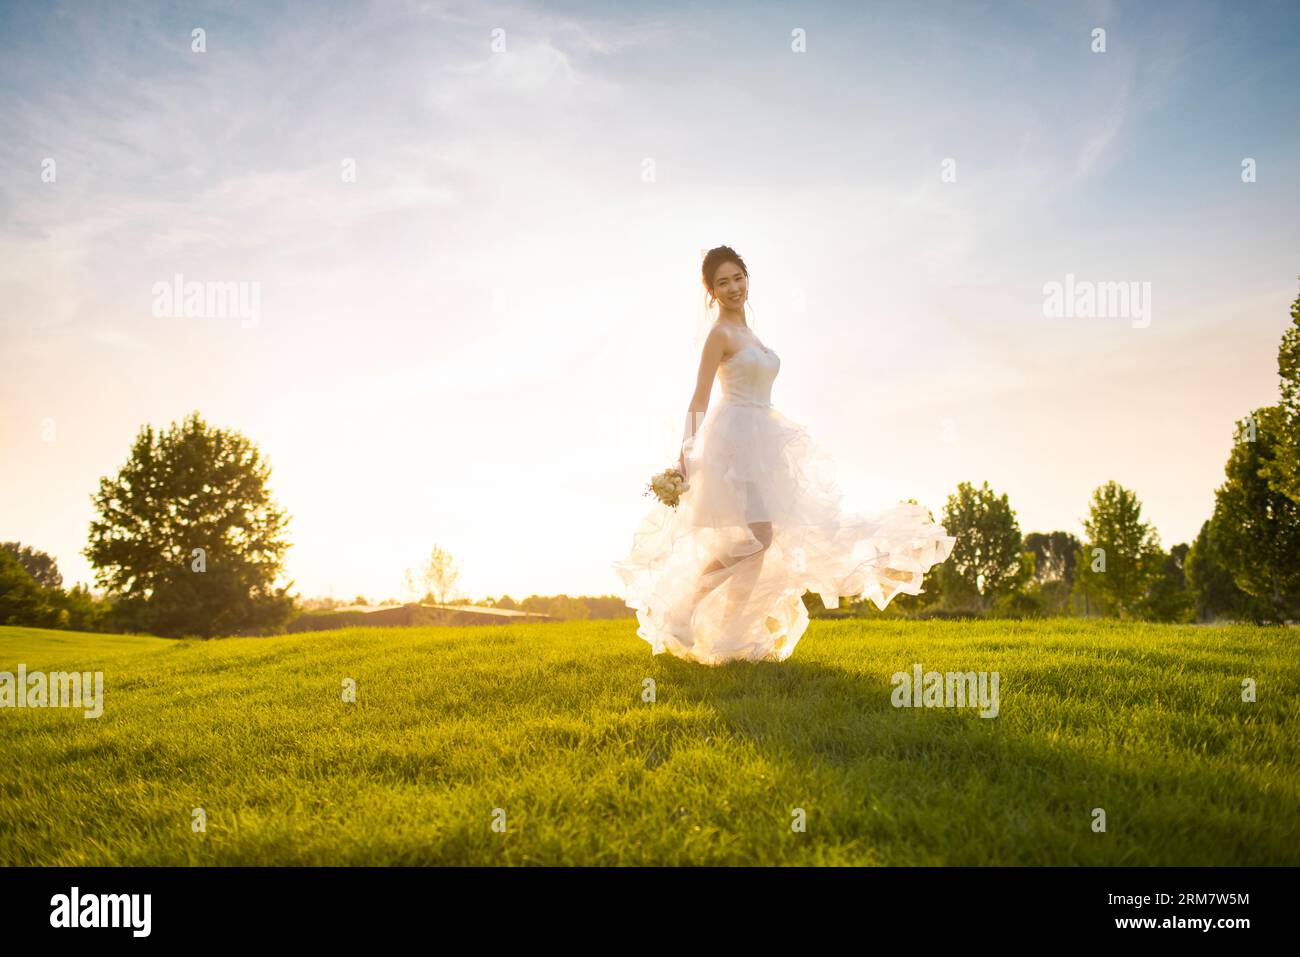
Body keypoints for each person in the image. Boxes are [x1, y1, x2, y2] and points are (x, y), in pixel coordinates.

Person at [613, 245, 956, 665]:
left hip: (764, 435)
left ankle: (728, 634)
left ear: (747, 277)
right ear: (711, 291)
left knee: (762, 540)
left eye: (738, 277)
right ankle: (684, 608)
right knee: (760, 536)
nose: (733, 287)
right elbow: (699, 397)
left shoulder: (751, 333)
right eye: (722, 282)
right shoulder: (719, 334)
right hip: (735, 439)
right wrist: (684, 457)